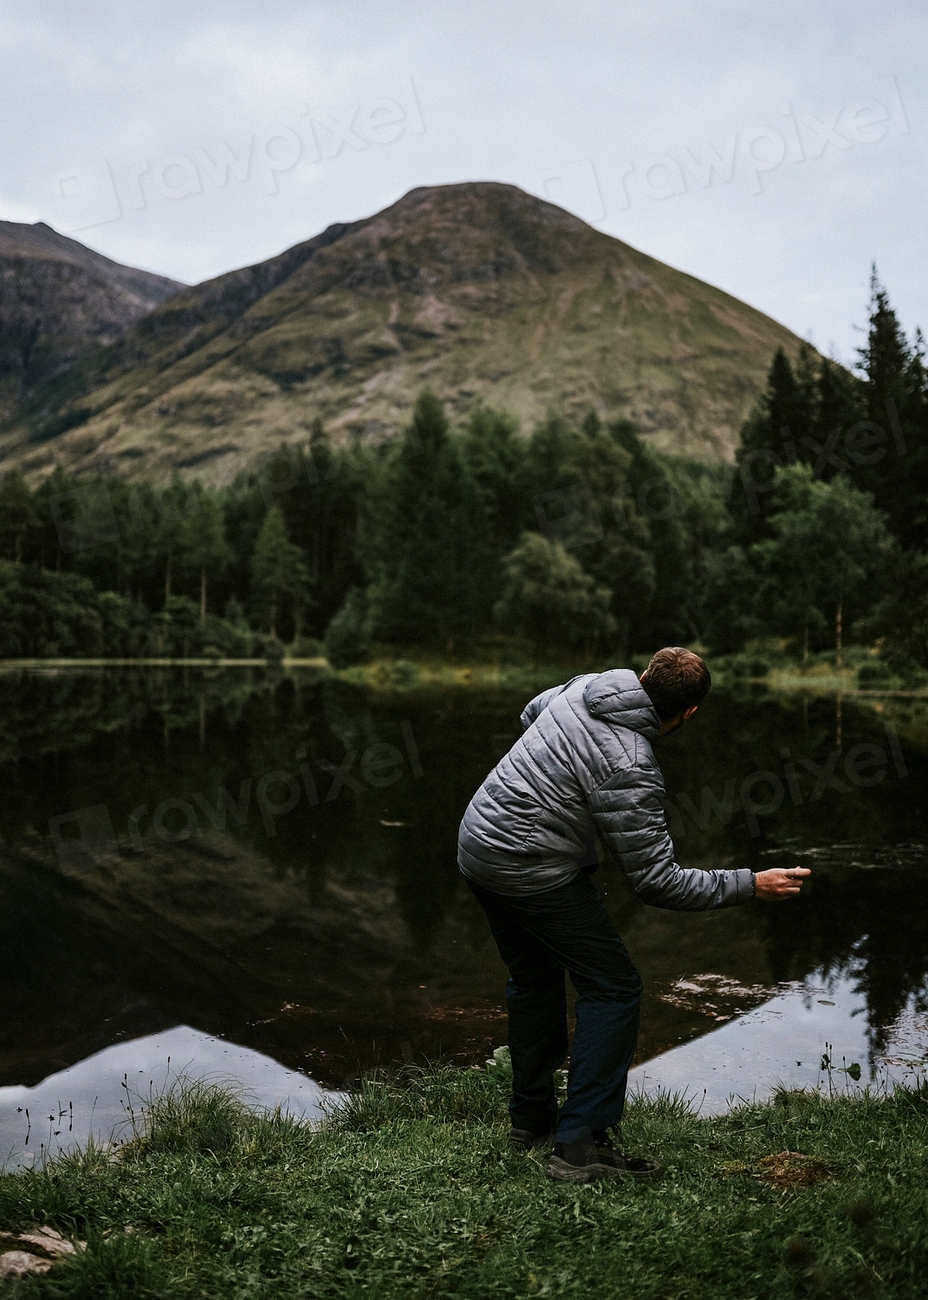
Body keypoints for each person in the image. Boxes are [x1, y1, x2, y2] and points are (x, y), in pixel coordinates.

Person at [458, 646, 810, 1184]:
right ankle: (580, 1147)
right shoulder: (631, 763)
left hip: (478, 841)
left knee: (533, 976)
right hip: (529, 865)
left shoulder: (588, 685)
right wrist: (750, 885)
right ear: (689, 713)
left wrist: (550, 785)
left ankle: (530, 1122)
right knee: (614, 988)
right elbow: (656, 882)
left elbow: (531, 713)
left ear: (645, 673)